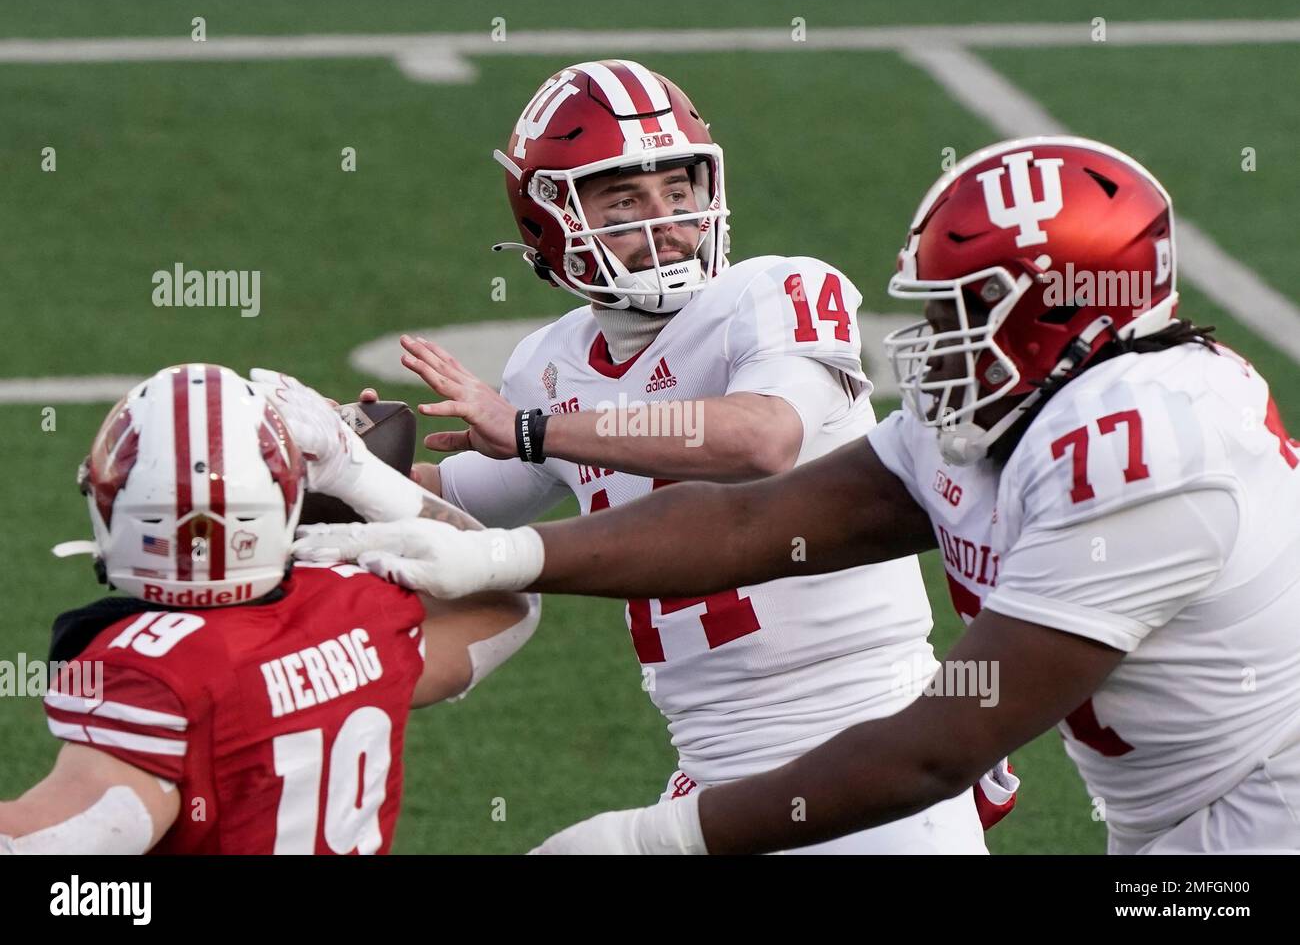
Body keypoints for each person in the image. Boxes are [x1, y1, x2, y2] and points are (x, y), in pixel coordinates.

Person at [299, 136, 1300, 854]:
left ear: (1061, 308)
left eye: (962, 308)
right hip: (1184, 816)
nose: (936, 336)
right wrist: (498, 553)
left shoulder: (1144, 446)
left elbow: (942, 737)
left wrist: (659, 836)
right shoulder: (1023, 406)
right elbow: (752, 523)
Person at [373, 58, 1025, 852]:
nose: (666, 222)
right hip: (717, 759)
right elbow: (459, 504)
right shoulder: (549, 365)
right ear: (550, 218)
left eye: (678, 193)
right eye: (624, 200)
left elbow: (763, 438)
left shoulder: (777, 292)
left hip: (860, 728)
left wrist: (538, 430)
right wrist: (326, 465)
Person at [0, 364, 538, 854]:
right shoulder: (362, 606)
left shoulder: (153, 670)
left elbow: (47, 842)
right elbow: (509, 595)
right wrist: (360, 477)